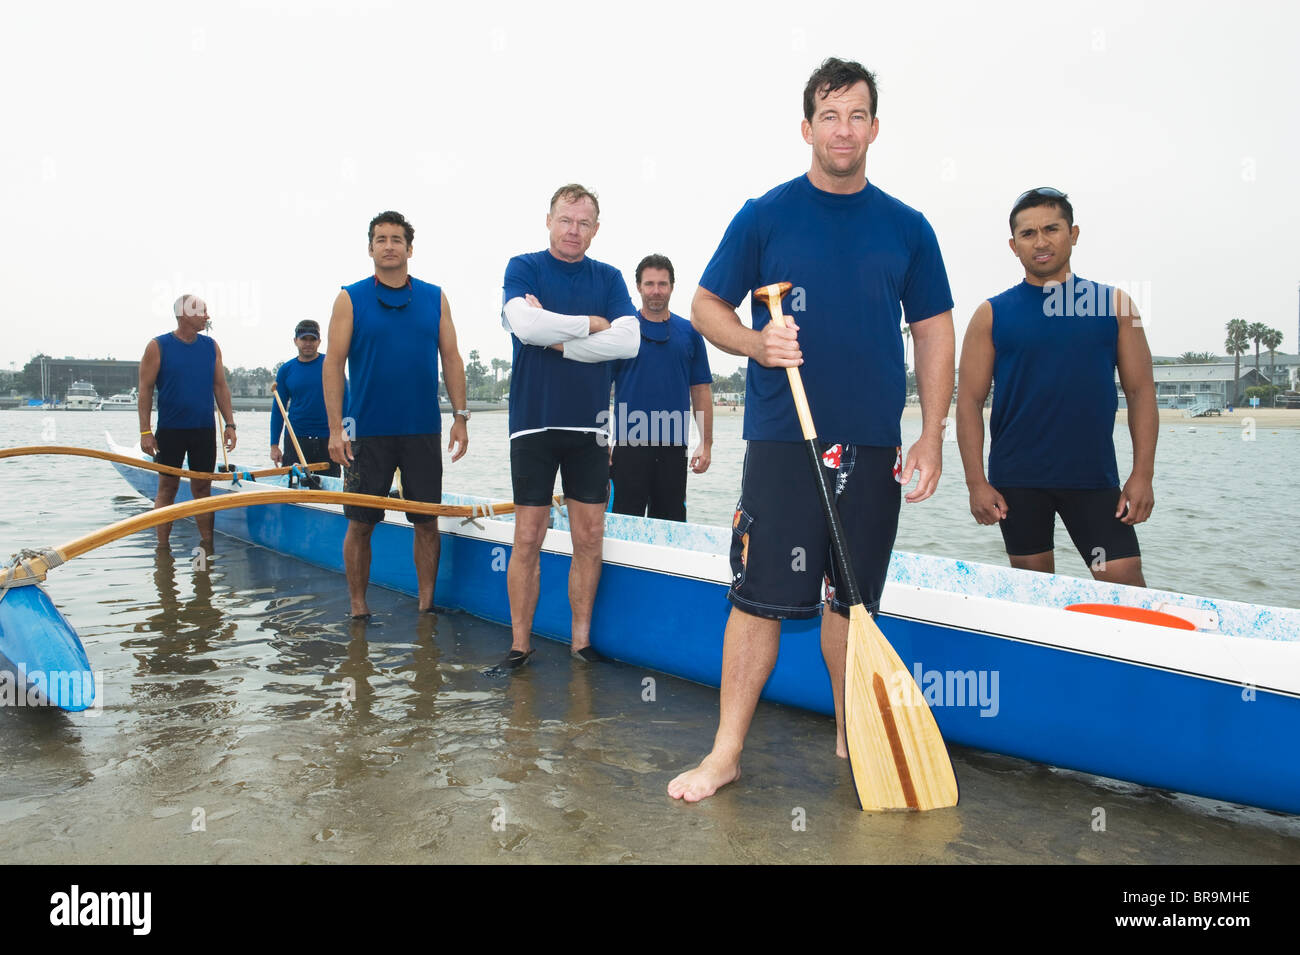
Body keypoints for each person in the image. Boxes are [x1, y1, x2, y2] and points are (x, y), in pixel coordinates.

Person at [668, 58, 956, 802]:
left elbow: (932, 332)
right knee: (759, 597)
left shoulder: (908, 228)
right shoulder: (765, 214)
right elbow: (705, 306)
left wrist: (931, 434)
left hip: (872, 443)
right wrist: (756, 344)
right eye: (829, 115)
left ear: (875, 128)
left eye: (857, 115)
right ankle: (726, 751)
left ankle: (849, 734)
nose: (843, 129)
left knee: (852, 603)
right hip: (783, 439)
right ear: (807, 127)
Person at [955, 187, 1157, 585]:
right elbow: (969, 402)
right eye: (1028, 234)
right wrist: (976, 482)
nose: (1041, 241)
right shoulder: (991, 314)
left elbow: (1141, 392)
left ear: (1074, 233)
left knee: (1124, 583)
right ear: (1014, 246)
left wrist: (1143, 474)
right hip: (1017, 481)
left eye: (1052, 229)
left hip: (1093, 477)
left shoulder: (1115, 306)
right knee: (1035, 592)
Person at [496, 183, 640, 670]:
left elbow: (629, 342)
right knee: (528, 536)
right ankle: (520, 644)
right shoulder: (524, 267)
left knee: (590, 536)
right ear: (549, 220)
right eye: (565, 219)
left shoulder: (610, 276)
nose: (573, 230)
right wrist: (592, 325)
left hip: (591, 429)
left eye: (583, 223)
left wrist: (559, 340)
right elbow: (526, 327)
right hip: (532, 425)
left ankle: (581, 643)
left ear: (595, 230)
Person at [323, 210, 469, 618]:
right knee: (361, 523)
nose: (389, 246)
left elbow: (452, 358)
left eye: (397, 239)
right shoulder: (349, 298)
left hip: (421, 429)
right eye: (381, 239)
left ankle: (426, 606)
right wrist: (336, 429)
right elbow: (332, 363)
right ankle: (358, 607)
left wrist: (460, 416)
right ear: (370, 247)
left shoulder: (434, 296)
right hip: (366, 432)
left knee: (426, 522)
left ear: (409, 248)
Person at [609, 254, 713, 521]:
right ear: (638, 286)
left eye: (662, 284)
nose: (656, 291)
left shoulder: (690, 333)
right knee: (623, 524)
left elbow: (701, 391)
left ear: (672, 286)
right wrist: (602, 442)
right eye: (650, 284)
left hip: (673, 447)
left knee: (671, 526)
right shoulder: (622, 330)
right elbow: (599, 388)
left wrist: (706, 443)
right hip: (629, 445)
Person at [138, 295, 238, 549]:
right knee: (167, 488)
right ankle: (162, 548)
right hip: (170, 431)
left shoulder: (210, 346)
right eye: (202, 312)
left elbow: (220, 386)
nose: (207, 316)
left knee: (203, 488)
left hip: (203, 430)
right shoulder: (158, 346)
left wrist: (230, 424)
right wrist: (145, 432)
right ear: (183, 314)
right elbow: (145, 390)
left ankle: (207, 545)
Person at [270, 319, 349, 477]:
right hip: (296, 439)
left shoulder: (331, 365)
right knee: (293, 488)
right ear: (295, 341)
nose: (308, 343)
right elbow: (278, 410)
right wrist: (274, 445)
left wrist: (348, 439)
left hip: (328, 440)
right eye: (303, 339)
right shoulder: (286, 370)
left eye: (312, 339)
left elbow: (347, 403)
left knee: (328, 491)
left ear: (319, 341)